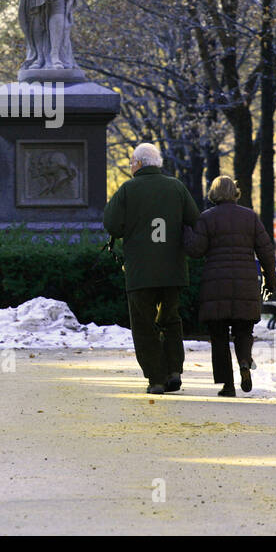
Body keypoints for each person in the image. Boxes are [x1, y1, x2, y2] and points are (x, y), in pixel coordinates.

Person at [102, 142, 200, 395]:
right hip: (173, 269)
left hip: (140, 271)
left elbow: (112, 224)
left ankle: (156, 379)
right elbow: (194, 218)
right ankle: (174, 370)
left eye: (132, 162)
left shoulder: (128, 190)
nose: (131, 166)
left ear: (138, 164)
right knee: (170, 320)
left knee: (144, 325)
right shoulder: (176, 187)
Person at [183, 175, 276, 397]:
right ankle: (244, 362)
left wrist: (186, 231)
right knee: (244, 330)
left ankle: (228, 385)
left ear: (214, 193)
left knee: (219, 336)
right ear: (235, 192)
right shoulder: (250, 217)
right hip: (246, 284)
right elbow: (266, 252)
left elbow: (196, 250)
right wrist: (270, 281)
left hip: (216, 287)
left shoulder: (207, 218)